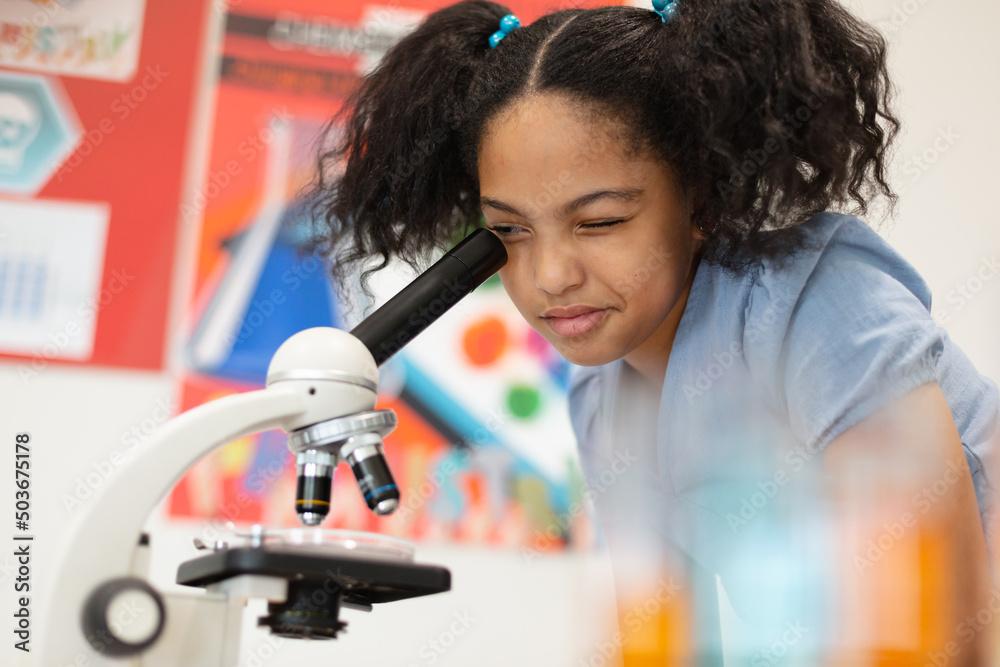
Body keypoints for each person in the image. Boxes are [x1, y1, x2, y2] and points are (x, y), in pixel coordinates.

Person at [304, 0, 998, 661]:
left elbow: (941, 642)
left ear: (701, 196)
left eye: (599, 221)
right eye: (509, 230)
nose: (549, 274)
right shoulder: (603, 400)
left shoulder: (813, 305)